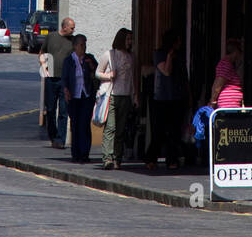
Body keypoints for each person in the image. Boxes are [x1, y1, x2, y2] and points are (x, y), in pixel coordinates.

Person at [145, 30, 189, 171]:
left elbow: (184, 77)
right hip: (161, 98)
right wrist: (169, 56)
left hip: (177, 97)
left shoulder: (180, 56)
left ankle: (172, 159)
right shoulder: (159, 54)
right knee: (158, 130)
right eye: (178, 41)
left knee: (174, 131)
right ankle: (152, 158)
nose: (180, 43)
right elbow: (166, 71)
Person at [97, 27, 138, 170]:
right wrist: (109, 76)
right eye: (127, 39)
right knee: (111, 128)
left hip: (126, 96)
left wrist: (135, 95)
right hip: (112, 95)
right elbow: (97, 73)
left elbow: (133, 78)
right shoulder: (109, 55)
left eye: (131, 39)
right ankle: (107, 158)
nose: (130, 42)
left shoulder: (131, 56)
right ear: (121, 40)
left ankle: (117, 158)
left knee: (121, 130)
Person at [39, 15, 75, 148]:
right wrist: (44, 67)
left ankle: (60, 140)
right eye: (71, 28)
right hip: (51, 78)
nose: (73, 30)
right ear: (64, 27)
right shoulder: (51, 37)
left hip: (65, 80)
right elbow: (42, 52)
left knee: (64, 110)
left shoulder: (73, 41)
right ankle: (53, 135)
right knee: (51, 109)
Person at [62, 33, 94, 162]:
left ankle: (85, 153)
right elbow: (64, 78)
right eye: (81, 44)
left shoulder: (89, 58)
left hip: (86, 96)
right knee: (75, 125)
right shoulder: (69, 60)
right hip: (74, 97)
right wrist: (66, 90)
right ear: (75, 46)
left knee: (85, 124)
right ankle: (76, 154)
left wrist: (91, 65)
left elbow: (96, 72)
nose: (84, 47)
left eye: (85, 44)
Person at [210, 37, 244, 108]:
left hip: (230, 106)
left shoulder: (229, 65)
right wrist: (212, 103)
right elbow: (217, 85)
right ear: (236, 52)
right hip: (227, 107)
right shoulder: (225, 64)